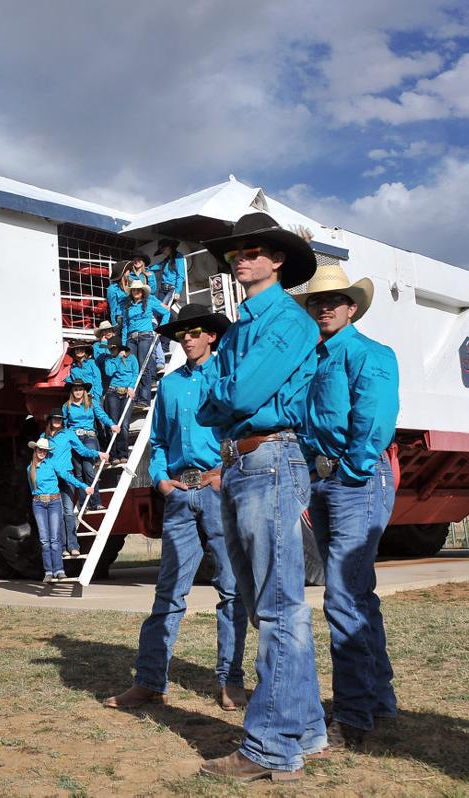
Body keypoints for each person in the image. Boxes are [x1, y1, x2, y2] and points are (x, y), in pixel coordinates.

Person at [195, 212, 324, 782]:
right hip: (246, 461)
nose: (239, 259)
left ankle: (272, 747)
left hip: (270, 459)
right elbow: (211, 405)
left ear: (277, 261)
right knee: (269, 604)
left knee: (276, 606)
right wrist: (224, 394)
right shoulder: (245, 324)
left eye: (252, 251)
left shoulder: (287, 321)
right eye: (235, 253)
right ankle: (309, 731)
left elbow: (236, 390)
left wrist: (222, 391)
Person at [104, 304, 249, 713]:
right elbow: (161, 440)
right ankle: (150, 682)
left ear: (212, 337)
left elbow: (241, 431)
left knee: (232, 590)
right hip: (179, 498)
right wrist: (163, 479)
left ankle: (231, 680)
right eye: (181, 332)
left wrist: (224, 472)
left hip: (218, 492)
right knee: (169, 591)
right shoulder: (168, 386)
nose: (186, 337)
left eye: (195, 330)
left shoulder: (228, 377)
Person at [295, 264, 400, 749]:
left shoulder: (370, 353)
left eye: (335, 300)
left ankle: (354, 714)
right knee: (357, 594)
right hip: (326, 482)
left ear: (352, 306)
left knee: (342, 594)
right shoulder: (313, 360)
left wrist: (350, 471)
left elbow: (374, 417)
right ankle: (377, 699)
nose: (325, 306)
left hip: (354, 479)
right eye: (318, 301)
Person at [40, 409, 106, 558]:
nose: (57, 421)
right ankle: (62, 547)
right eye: (54, 418)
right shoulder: (43, 438)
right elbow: (37, 459)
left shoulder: (68, 434)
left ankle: (73, 546)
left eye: (60, 419)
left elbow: (82, 450)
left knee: (68, 511)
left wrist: (98, 454)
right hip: (51, 479)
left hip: (67, 476)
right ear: (50, 420)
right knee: (57, 513)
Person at [27, 437, 93, 582]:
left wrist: (84, 486)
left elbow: (67, 477)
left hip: (54, 502)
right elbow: (33, 489)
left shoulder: (52, 464)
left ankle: (59, 569)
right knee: (44, 539)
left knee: (55, 538)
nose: (42, 452)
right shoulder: (30, 469)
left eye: (44, 450)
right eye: (40, 449)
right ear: (35, 450)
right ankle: (48, 572)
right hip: (38, 503)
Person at [62, 380, 118, 510]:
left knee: (88, 469)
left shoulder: (91, 403)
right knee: (79, 472)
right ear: (72, 391)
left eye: (80, 389)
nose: (78, 392)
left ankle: (96, 502)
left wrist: (112, 424)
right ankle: (84, 503)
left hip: (89, 437)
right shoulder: (67, 406)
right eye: (75, 390)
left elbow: (101, 415)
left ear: (84, 391)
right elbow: (63, 426)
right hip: (74, 439)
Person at [121, 279, 170, 410]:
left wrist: (161, 329)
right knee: (133, 368)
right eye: (134, 290)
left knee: (144, 366)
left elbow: (166, 312)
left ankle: (144, 398)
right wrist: (123, 346)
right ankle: (135, 397)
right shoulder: (127, 307)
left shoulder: (150, 302)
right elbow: (125, 327)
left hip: (145, 336)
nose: (136, 292)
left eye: (138, 290)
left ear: (142, 291)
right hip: (131, 338)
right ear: (131, 292)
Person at [150, 239, 186, 373]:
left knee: (164, 312)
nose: (164, 251)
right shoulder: (165, 261)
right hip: (162, 290)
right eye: (162, 249)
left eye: (165, 248)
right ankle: (165, 341)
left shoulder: (179, 257)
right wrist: (145, 269)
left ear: (171, 247)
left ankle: (164, 344)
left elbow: (181, 276)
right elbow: (156, 267)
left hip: (171, 290)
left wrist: (177, 291)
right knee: (160, 314)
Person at [103, 342, 139, 464]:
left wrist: (131, 386)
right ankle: (113, 455)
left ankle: (123, 453)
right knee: (113, 424)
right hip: (113, 392)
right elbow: (109, 372)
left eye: (114, 348)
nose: (112, 350)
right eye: (111, 349)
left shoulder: (132, 358)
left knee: (124, 425)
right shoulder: (109, 360)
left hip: (126, 393)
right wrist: (117, 358)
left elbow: (135, 373)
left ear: (120, 348)